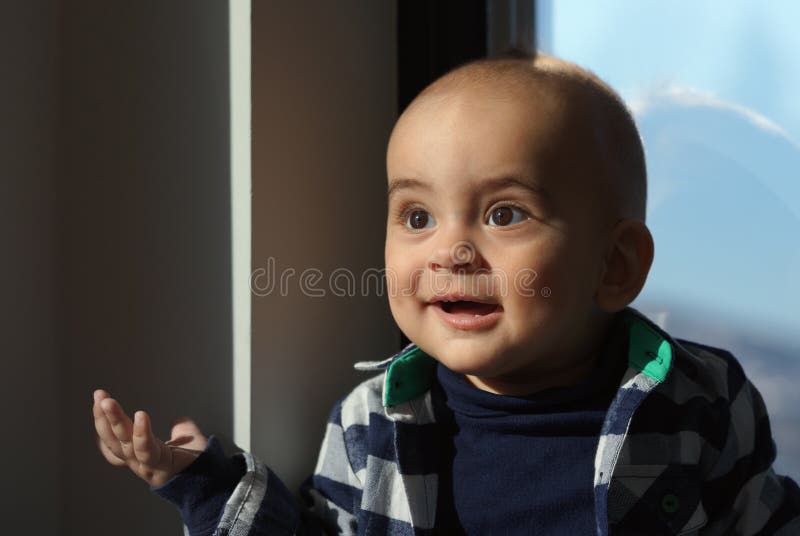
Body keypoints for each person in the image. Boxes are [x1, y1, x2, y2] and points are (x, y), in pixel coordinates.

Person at [92, 53, 800, 535]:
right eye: (417, 217)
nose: (451, 251)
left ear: (614, 266)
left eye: (504, 214)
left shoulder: (702, 398)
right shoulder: (373, 424)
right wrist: (206, 484)